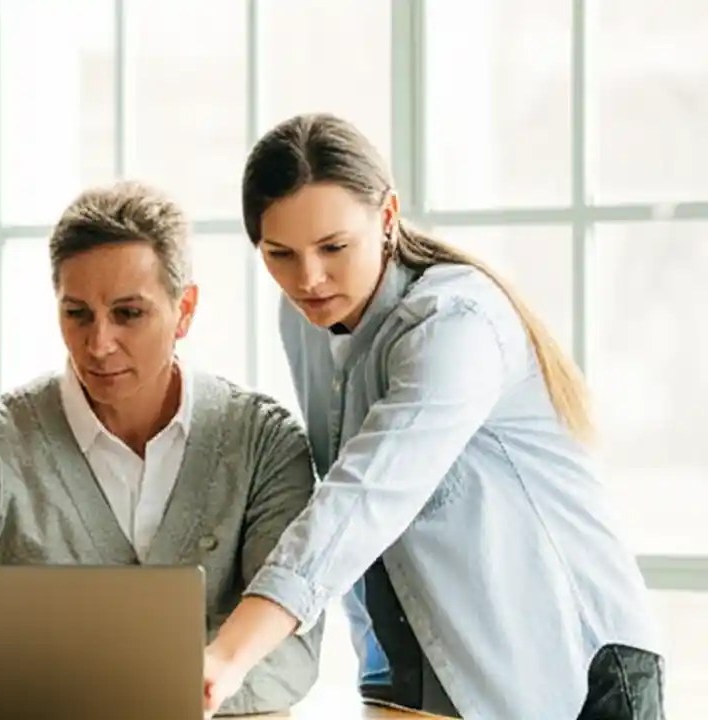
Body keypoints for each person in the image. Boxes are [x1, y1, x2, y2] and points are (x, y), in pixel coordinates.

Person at [201, 112, 663, 720]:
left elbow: (362, 497)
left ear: (387, 216)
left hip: (567, 668)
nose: (308, 278)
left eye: (334, 247)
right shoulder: (305, 320)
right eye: (280, 254)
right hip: (423, 669)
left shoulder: (455, 321)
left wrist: (229, 655)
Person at [0, 181, 323, 716]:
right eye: (77, 314)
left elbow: (290, 659)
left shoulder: (264, 444)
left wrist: (46, 673)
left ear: (185, 310)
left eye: (128, 314)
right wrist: (156, 681)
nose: (99, 344)